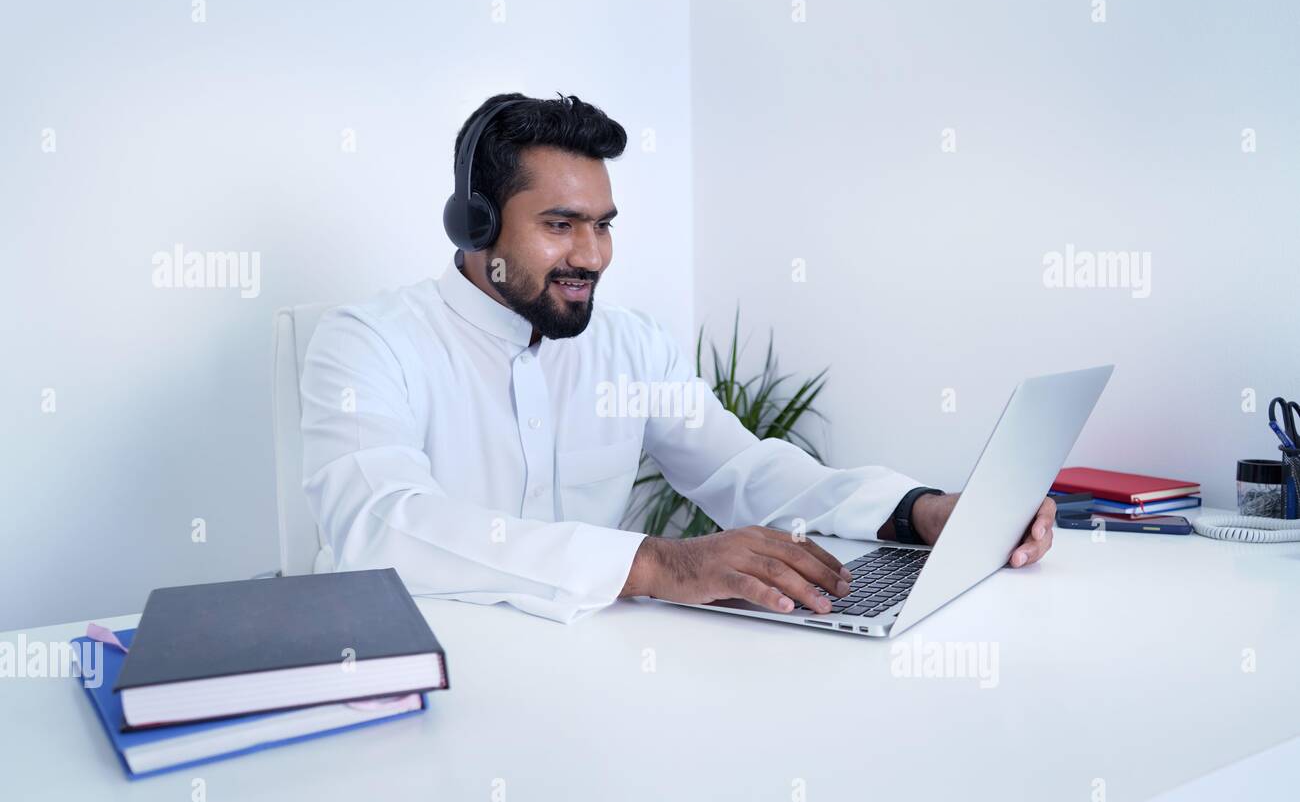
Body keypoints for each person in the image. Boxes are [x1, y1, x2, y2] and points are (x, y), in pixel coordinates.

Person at [300, 92, 1055, 624]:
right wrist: (660, 564)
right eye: (561, 224)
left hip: (590, 680)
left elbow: (744, 471)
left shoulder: (627, 345)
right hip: (424, 687)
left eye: (603, 225)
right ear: (476, 225)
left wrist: (915, 511)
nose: (592, 256)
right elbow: (383, 526)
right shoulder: (369, 342)